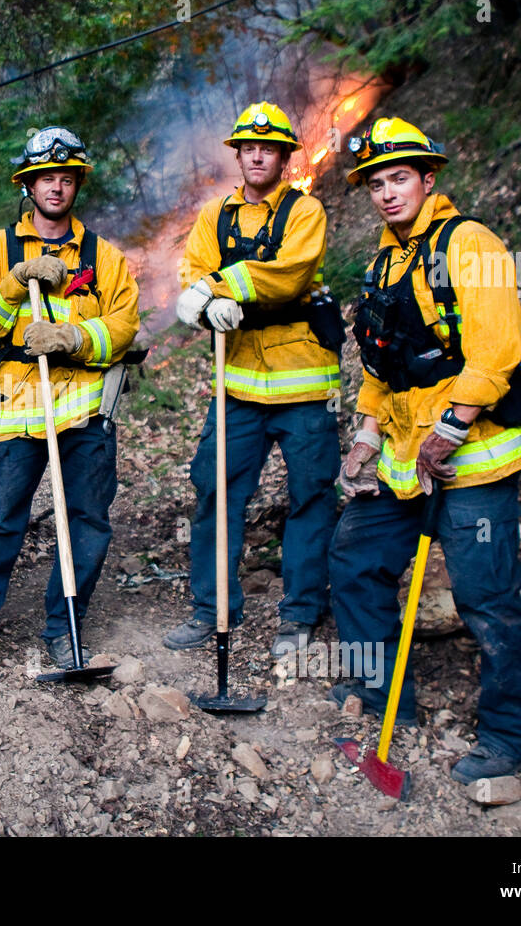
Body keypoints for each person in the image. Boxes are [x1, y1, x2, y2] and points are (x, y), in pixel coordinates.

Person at [329, 116, 521, 782]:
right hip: (404, 456)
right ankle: (382, 698)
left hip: (472, 459)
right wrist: (367, 435)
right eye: (376, 183)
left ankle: (515, 736)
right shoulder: (384, 261)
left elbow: (497, 347)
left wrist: (452, 426)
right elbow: (380, 361)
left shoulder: (469, 241)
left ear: (428, 179)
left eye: (400, 178)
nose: (388, 193)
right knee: (354, 558)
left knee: (486, 598)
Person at [0, 127, 140, 687]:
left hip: (86, 414)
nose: (57, 186)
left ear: (77, 185)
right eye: (47, 177)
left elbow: (124, 325)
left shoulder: (103, 257)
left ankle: (64, 629)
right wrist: (14, 281)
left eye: (67, 178)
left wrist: (75, 339)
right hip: (13, 408)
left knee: (87, 521)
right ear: (28, 183)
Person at [165, 101, 339, 659]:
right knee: (216, 491)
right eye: (249, 146)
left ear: (286, 156)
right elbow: (192, 275)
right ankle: (210, 609)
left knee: (310, 497)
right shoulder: (214, 217)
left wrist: (218, 288)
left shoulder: (306, 212)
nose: (259, 153)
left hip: (303, 386)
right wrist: (199, 305)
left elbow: (287, 276)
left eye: (270, 147)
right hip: (236, 385)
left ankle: (301, 616)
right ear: (238, 154)